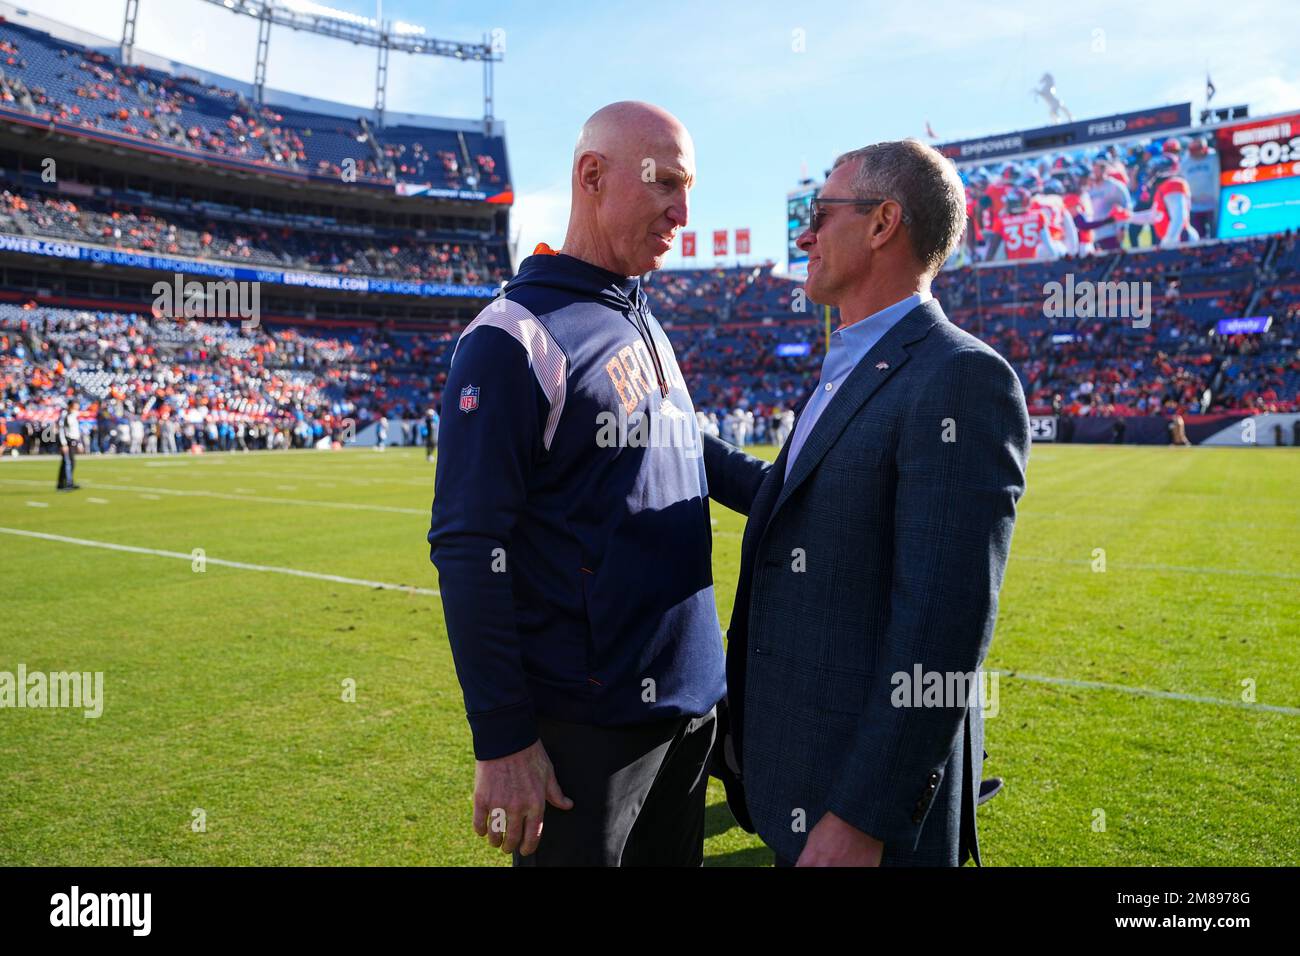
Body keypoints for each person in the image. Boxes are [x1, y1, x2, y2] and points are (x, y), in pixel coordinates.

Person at [703, 139, 1029, 867]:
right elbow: (809, 508)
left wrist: (864, 813)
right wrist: (687, 446)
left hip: (859, 808)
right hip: (800, 772)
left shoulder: (961, 377)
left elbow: (943, 625)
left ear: (883, 223)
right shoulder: (853, 359)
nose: (804, 234)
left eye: (819, 213)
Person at [428, 101, 723, 867]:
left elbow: (689, 447)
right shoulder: (511, 336)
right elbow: (467, 546)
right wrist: (503, 739)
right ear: (593, 175)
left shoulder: (641, 315)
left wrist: (806, 484)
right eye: (667, 183)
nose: (682, 212)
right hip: (587, 729)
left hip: (688, 712)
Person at [56, 399, 83, 491]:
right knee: (68, 463)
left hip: (73, 441)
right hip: (67, 442)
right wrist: (63, 443)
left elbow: (76, 431)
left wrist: (79, 443)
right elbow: (61, 430)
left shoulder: (74, 416)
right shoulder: (65, 415)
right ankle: (67, 484)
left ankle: (63, 483)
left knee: (69, 463)